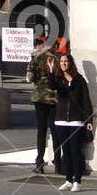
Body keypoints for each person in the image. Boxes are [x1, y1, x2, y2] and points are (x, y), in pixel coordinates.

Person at [52, 52, 93, 192]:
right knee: (66, 151)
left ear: (70, 63)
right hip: (61, 120)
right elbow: (52, 86)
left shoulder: (79, 80)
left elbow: (86, 101)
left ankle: (78, 181)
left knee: (75, 151)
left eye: (66, 61)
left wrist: (89, 120)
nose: (64, 63)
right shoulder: (58, 79)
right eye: (61, 61)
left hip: (76, 121)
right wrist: (52, 72)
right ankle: (68, 179)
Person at [26, 32, 60, 176]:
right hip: (54, 98)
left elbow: (29, 78)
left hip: (39, 97)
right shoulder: (57, 60)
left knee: (41, 131)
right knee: (55, 130)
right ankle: (58, 162)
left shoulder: (36, 59)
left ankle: (39, 161)